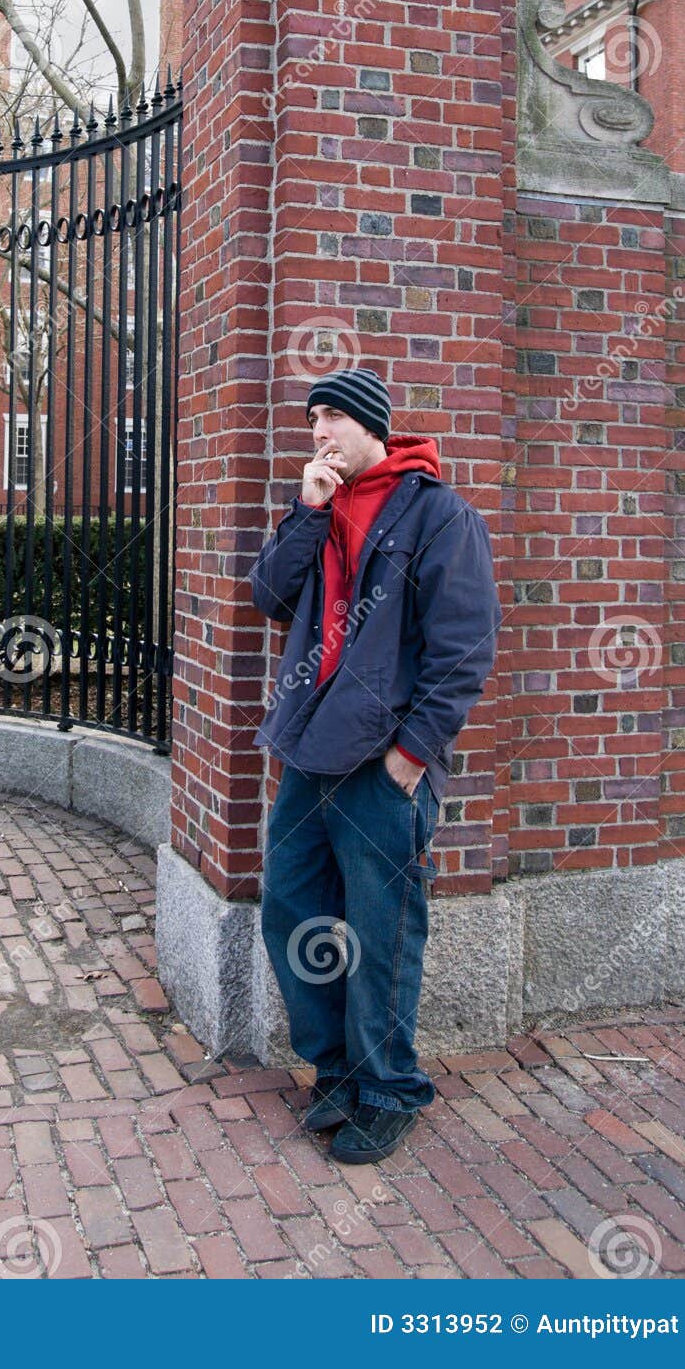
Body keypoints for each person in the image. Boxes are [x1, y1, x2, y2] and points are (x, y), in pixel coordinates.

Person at [249, 366, 501, 1165]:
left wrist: (411, 754)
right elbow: (267, 598)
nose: (318, 432)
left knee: (381, 933)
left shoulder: (439, 515)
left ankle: (388, 1089)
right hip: (307, 753)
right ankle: (335, 1071)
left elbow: (464, 647)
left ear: (370, 427)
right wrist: (306, 511)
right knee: (291, 912)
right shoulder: (318, 509)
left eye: (331, 417)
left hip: (382, 762)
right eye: (311, 419)